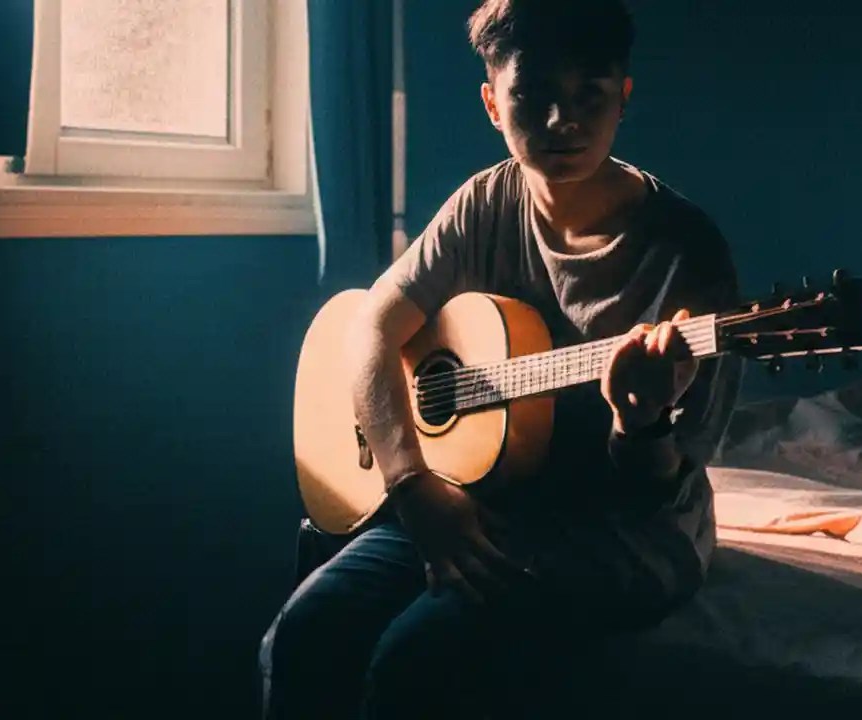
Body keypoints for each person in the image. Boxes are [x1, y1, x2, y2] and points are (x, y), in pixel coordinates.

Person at [260, 0, 743, 717]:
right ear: (492, 102)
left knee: (413, 663)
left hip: (619, 532)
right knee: (303, 634)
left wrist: (641, 422)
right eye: (534, 95)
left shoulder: (685, 254)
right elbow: (370, 328)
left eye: (589, 96)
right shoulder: (485, 202)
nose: (562, 121)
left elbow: (652, 488)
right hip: (474, 497)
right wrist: (412, 484)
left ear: (624, 98)